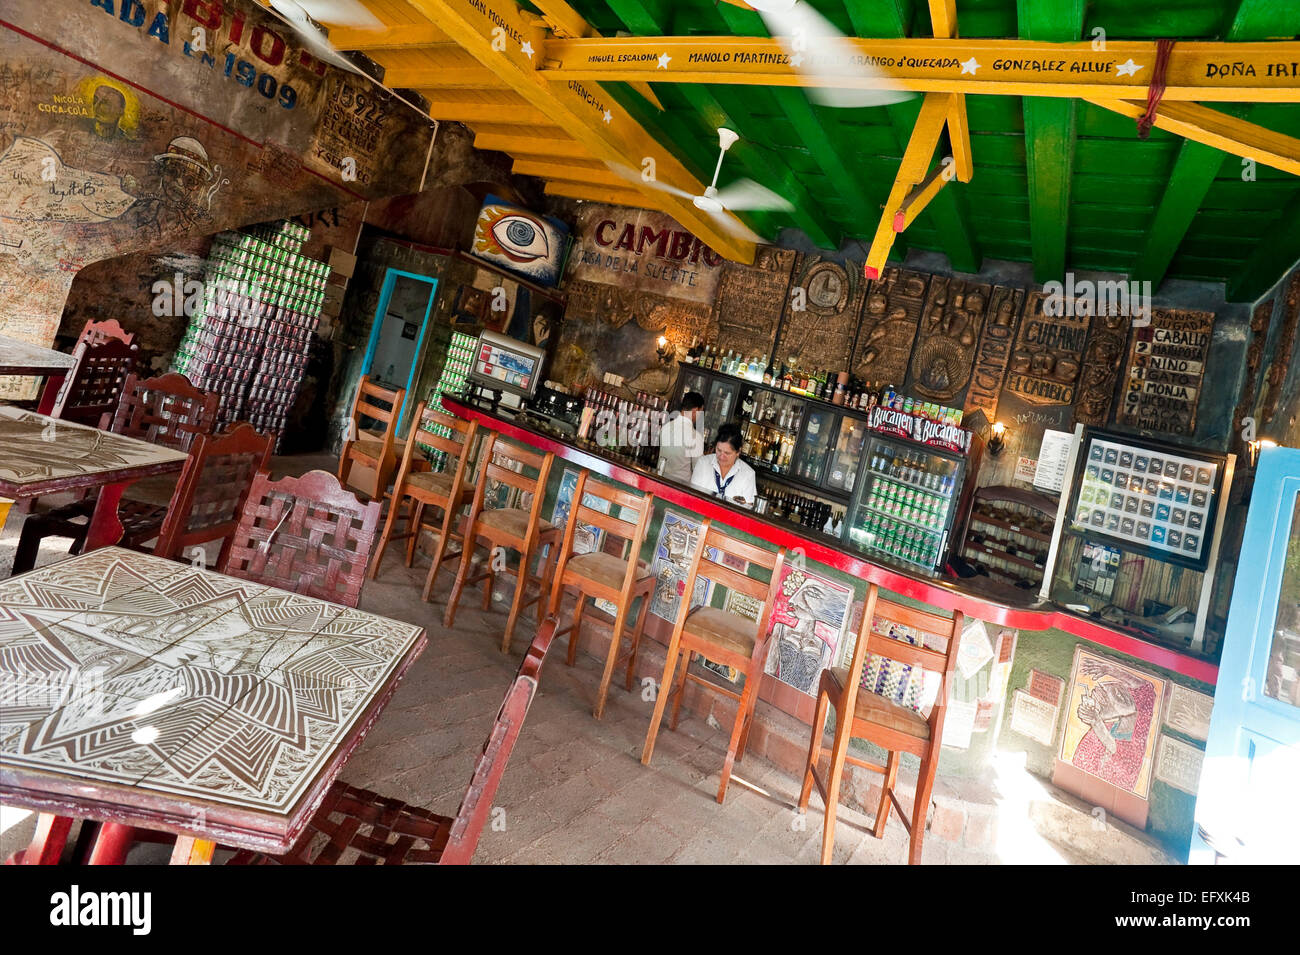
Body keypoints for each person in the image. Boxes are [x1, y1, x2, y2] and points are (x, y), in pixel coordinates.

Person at [691, 422, 756, 509]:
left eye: (727, 453)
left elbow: (748, 508)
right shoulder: (703, 463)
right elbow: (692, 496)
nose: (721, 456)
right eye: (719, 450)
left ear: (738, 452)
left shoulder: (748, 474)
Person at [658, 391, 704, 484]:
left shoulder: (666, 427)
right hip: (680, 487)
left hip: (660, 480)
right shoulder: (695, 436)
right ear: (695, 410)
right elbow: (699, 469)